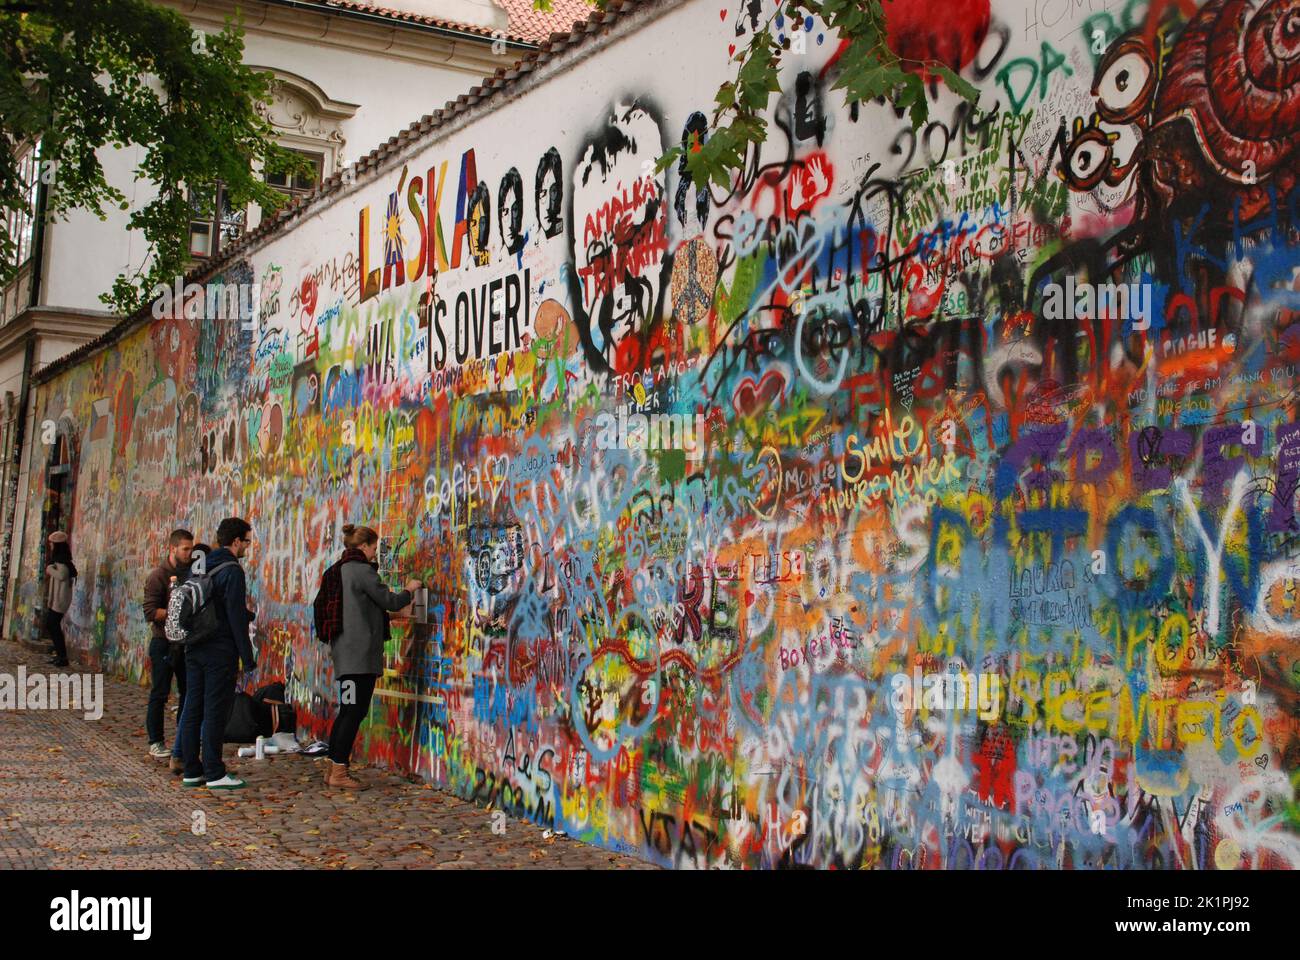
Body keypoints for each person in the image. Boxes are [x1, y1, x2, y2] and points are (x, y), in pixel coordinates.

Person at [320, 524, 419, 790]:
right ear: (363, 547)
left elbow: (362, 611)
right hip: (359, 658)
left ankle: (333, 768)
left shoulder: (336, 571)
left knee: (347, 712)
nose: (376, 553)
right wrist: (409, 589)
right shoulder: (362, 571)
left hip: (345, 654)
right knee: (354, 712)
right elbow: (390, 600)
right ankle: (339, 771)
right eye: (374, 547)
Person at [179, 518, 257, 791]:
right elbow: (234, 617)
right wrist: (247, 657)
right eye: (247, 541)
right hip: (219, 650)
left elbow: (209, 605)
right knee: (215, 710)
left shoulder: (201, 566)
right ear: (236, 541)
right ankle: (214, 771)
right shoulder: (233, 570)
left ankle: (192, 769)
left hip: (194, 646)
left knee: (192, 707)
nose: (248, 546)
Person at [142, 529, 194, 769]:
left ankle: (182, 741)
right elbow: (150, 612)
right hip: (163, 642)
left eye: (191, 549)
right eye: (185, 549)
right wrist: (177, 612)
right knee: (160, 692)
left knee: (187, 692)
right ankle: (156, 740)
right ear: (173, 549)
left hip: (184, 644)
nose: (188, 553)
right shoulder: (158, 577)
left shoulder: (191, 574)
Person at [44, 532, 76, 668]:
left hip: (60, 600)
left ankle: (62, 657)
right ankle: (60, 655)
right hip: (57, 600)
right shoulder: (60, 559)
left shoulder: (61, 561)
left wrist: (49, 569)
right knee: (52, 625)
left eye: (52, 544)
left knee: (52, 625)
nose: (50, 546)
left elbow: (62, 575)